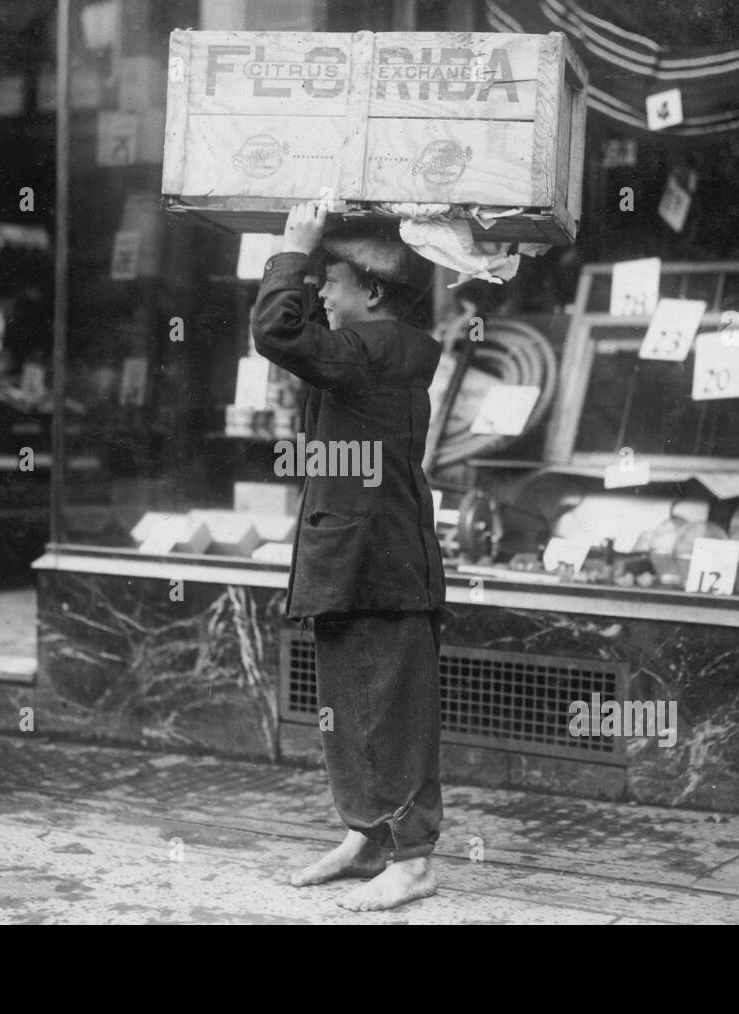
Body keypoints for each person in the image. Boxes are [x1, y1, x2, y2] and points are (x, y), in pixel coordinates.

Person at [252, 201, 445, 912]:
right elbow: (297, 333)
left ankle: (414, 857)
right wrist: (307, 263)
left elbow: (278, 330)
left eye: (330, 282)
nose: (321, 295)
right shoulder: (369, 352)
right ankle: (370, 838)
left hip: (380, 566)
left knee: (388, 712)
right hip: (355, 560)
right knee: (353, 706)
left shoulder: (380, 350)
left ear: (372, 292)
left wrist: (292, 249)